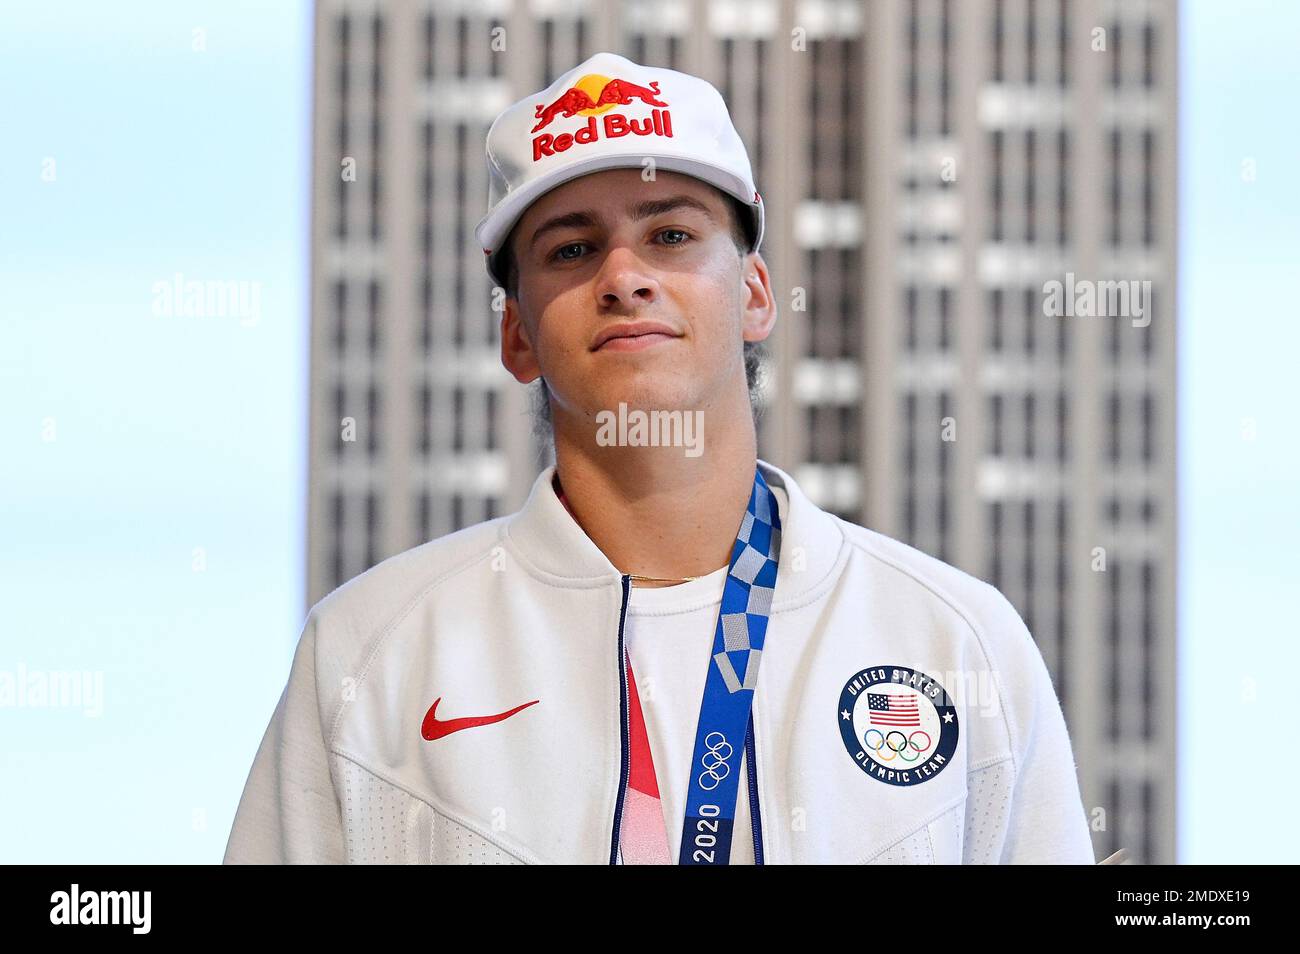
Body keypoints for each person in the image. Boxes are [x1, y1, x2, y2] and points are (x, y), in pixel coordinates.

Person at [224, 51, 1095, 865]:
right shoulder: (370, 652)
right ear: (517, 335)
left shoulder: (954, 637)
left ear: (755, 295)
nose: (624, 275)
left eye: (671, 236)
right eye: (571, 248)